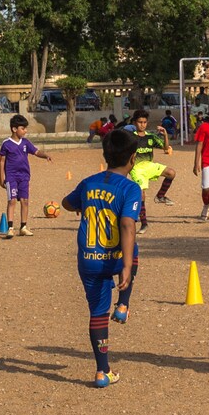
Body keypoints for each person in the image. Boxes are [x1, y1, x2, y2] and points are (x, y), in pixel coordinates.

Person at [62, 127, 145, 389]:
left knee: (97, 313)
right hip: (114, 258)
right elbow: (128, 226)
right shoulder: (130, 188)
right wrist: (127, 266)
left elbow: (66, 202)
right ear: (132, 158)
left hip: (88, 260)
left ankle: (102, 371)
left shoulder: (88, 183)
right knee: (135, 252)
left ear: (104, 154)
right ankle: (123, 305)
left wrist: (82, 205)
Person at [0, 115, 51, 238]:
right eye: (23, 128)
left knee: (25, 201)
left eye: (26, 128)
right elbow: (1, 161)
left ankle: (23, 227)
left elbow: (36, 152)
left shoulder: (26, 143)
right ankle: (10, 228)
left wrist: (45, 155)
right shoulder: (6, 144)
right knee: (12, 201)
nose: (25, 131)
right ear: (14, 129)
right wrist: (1, 179)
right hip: (11, 177)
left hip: (24, 176)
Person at [129, 108, 176, 206]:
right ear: (134, 122)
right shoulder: (130, 137)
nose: (142, 125)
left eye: (144, 122)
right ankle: (144, 221)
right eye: (140, 122)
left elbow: (166, 148)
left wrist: (165, 135)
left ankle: (160, 196)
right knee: (142, 195)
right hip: (137, 169)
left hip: (149, 166)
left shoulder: (150, 137)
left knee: (171, 173)